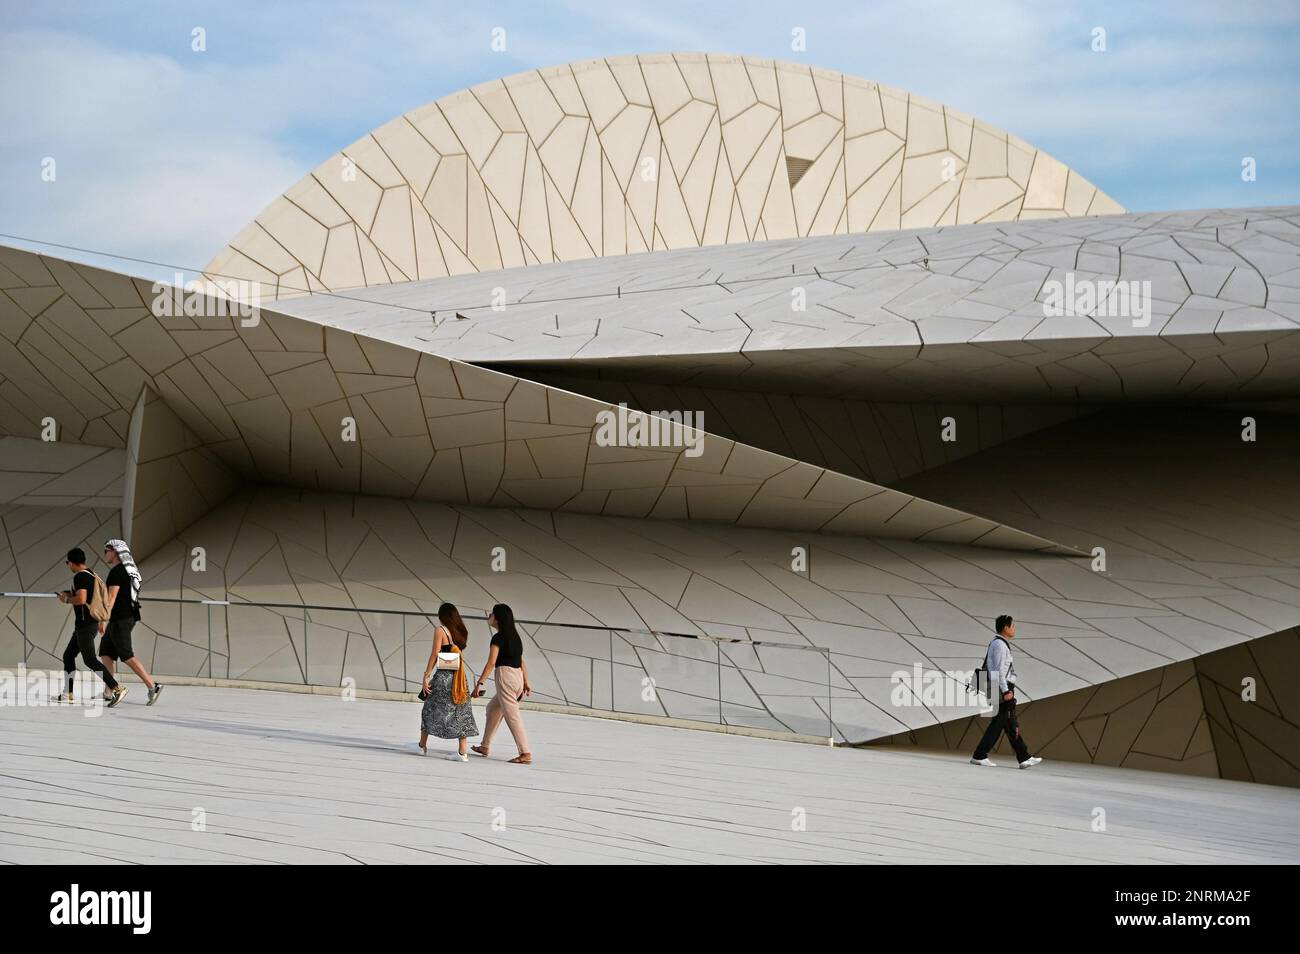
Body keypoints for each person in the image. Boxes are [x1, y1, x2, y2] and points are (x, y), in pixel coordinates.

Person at [970, 615, 1043, 769]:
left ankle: (1023, 757)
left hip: (1000, 687)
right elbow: (997, 670)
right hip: (1000, 687)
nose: (1014, 629)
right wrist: (1005, 691)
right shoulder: (999, 645)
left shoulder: (1000, 644)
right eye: (1012, 626)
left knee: (1009, 722)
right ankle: (979, 754)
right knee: (1000, 722)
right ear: (1005, 627)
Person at [56, 547, 125, 707]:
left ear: (72, 562)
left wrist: (66, 600)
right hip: (86, 624)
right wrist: (68, 593)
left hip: (85, 625)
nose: (68, 566)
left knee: (90, 660)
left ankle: (116, 688)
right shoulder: (91, 574)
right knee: (68, 656)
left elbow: (81, 599)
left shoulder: (80, 576)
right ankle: (68, 693)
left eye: (68, 563)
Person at [99, 539, 163, 706]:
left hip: (120, 619)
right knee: (106, 653)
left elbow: (111, 597)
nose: (105, 554)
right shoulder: (129, 570)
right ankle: (109, 690)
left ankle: (152, 686)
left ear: (115, 551)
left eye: (106, 550)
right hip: (123, 617)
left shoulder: (116, 572)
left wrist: (103, 619)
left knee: (126, 655)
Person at [470, 604, 533, 764]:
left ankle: (525, 753)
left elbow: (491, 662)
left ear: (497, 619)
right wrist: (526, 680)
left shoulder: (498, 638)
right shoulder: (515, 637)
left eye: (492, 614)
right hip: (517, 677)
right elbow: (521, 660)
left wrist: (479, 683)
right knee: (492, 708)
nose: (489, 616)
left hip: (506, 677)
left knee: (512, 716)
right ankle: (485, 746)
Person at [417, 602, 478, 761]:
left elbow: (435, 653)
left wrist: (426, 675)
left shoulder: (441, 630)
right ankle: (462, 752)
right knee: (460, 712)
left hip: (444, 677)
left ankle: (422, 746)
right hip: (459, 677)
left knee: (429, 709)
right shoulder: (460, 632)